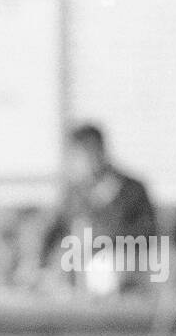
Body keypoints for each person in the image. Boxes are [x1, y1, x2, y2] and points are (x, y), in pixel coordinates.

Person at [41, 123, 159, 287]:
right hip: (76, 274)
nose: (74, 163)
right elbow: (57, 232)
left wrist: (105, 243)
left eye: (79, 155)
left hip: (123, 270)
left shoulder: (132, 191)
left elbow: (147, 234)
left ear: (98, 152)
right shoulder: (74, 193)